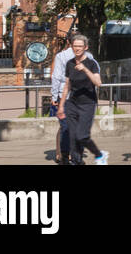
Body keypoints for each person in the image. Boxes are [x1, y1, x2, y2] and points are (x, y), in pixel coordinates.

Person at [56, 34, 108, 165]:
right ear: (71, 46)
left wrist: (85, 69)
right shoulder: (69, 63)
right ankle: (76, 161)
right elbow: (67, 85)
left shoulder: (91, 63)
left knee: (81, 135)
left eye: (80, 46)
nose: (77, 49)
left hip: (87, 103)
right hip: (72, 102)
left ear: (86, 47)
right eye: (75, 46)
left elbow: (98, 83)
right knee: (72, 134)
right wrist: (61, 105)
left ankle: (99, 155)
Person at [48, 40, 92, 164]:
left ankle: (63, 154)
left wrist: (54, 95)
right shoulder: (88, 56)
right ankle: (69, 155)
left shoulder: (61, 56)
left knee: (65, 126)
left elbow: (56, 77)